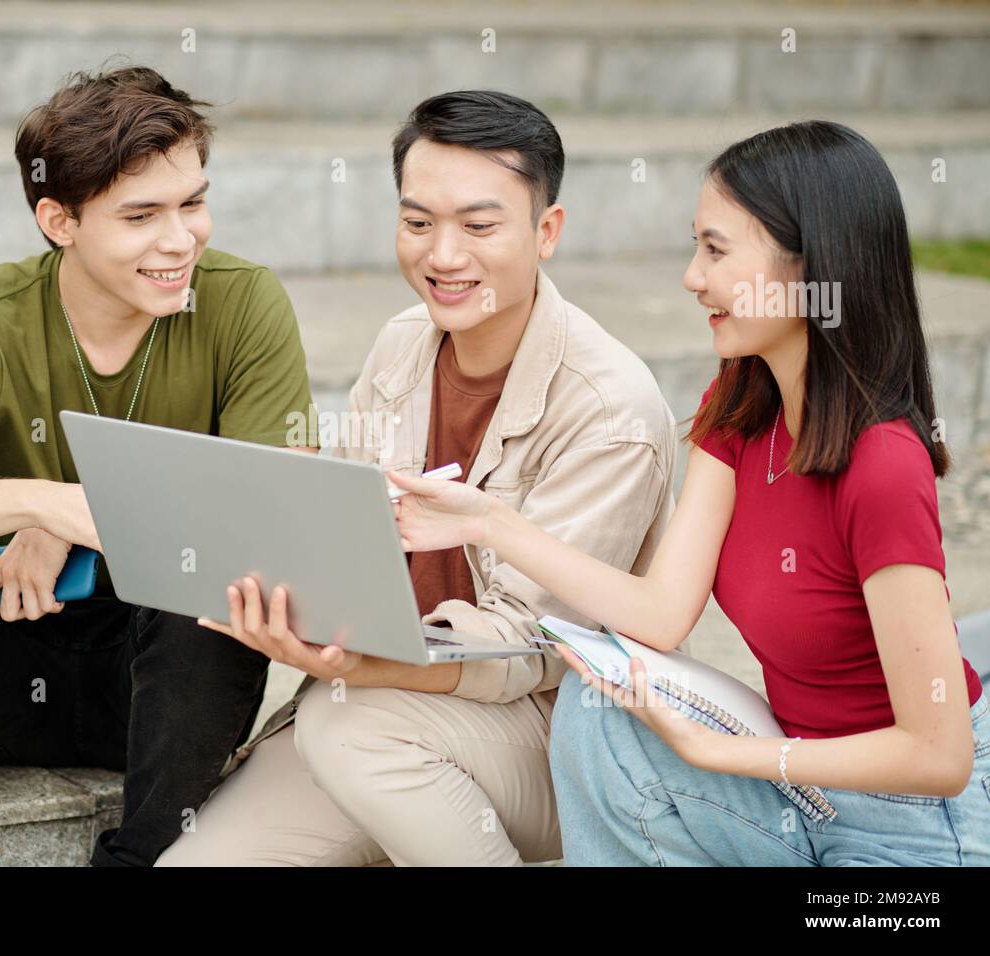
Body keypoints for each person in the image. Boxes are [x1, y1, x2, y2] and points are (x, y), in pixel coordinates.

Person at [391, 120, 990, 866]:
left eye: (714, 249)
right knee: (601, 700)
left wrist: (725, 754)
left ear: (809, 267)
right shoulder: (741, 405)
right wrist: (488, 523)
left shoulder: (882, 466)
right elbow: (662, 614)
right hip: (799, 787)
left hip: (917, 822)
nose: (691, 276)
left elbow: (939, 757)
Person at [0, 66, 316, 866]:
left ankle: (138, 860)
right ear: (59, 219)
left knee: (220, 582)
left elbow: (277, 521)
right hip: (3, 663)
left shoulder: (244, 303)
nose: (180, 239)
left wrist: (89, 524)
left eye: (193, 203)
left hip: (162, 690)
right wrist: (44, 505)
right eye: (141, 215)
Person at [157, 91, 677, 866]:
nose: (443, 256)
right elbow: (342, 527)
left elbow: (527, 654)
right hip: (378, 706)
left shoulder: (612, 409)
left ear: (547, 231)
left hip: (554, 741)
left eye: (479, 225)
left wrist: (359, 668)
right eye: (418, 222)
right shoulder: (404, 344)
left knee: (351, 726)